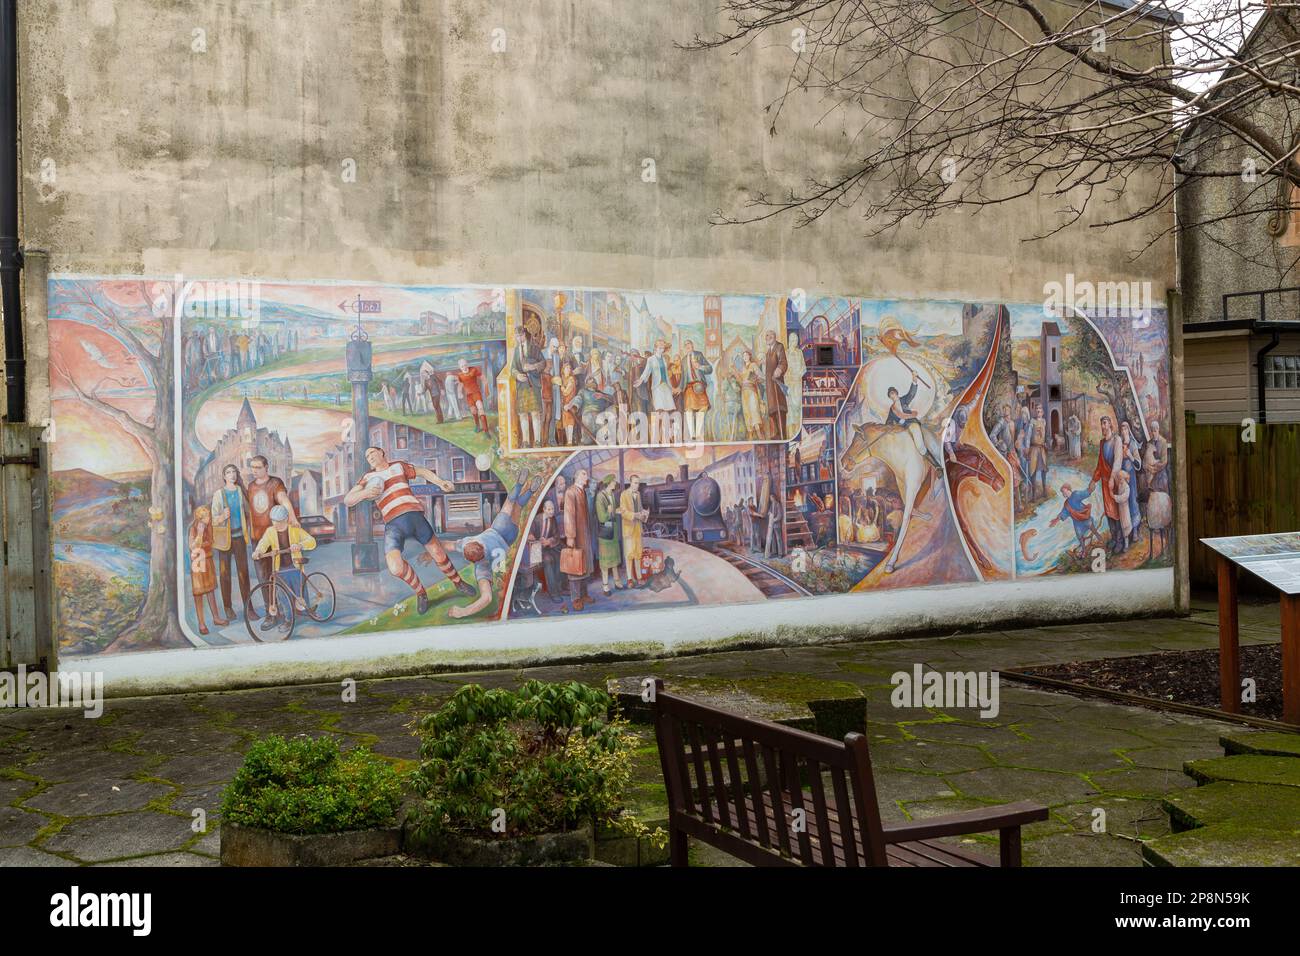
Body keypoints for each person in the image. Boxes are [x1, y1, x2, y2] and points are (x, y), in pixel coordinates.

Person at [344, 446, 476, 615]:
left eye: (372, 452)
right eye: (367, 455)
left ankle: (458, 582)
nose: (369, 457)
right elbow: (348, 499)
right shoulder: (368, 478)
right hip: (393, 525)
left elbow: (422, 472)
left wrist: (441, 482)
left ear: (382, 452)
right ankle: (421, 593)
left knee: (438, 553)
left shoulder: (398, 466)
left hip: (414, 516)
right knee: (395, 568)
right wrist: (365, 493)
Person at [447, 478, 539, 619]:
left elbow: (487, 598)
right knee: (509, 502)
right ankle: (520, 484)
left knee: (518, 508)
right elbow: (449, 544)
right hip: (499, 528)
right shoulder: (470, 541)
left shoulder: (482, 566)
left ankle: (531, 490)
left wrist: (462, 612)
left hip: (509, 538)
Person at [251, 504, 317, 633]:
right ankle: (288, 620)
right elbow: (263, 543)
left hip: (295, 567)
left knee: (301, 591)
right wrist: (258, 551)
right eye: (274, 522)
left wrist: (300, 545)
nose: (276, 525)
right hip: (279, 569)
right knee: (283, 596)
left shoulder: (295, 530)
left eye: (279, 522)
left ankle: (308, 611)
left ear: (286, 519)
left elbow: (312, 541)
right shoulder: (270, 532)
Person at [210, 463, 255, 621]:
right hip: (224, 540)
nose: (232, 475)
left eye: (234, 472)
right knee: (225, 574)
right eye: (228, 472)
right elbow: (213, 519)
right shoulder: (218, 494)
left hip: (239, 539)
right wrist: (222, 516)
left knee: (244, 574)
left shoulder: (241, 492)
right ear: (224, 476)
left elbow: (249, 513)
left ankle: (248, 608)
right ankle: (228, 608)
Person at [247, 455, 297, 588]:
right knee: (263, 578)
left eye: (258, 467)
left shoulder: (275, 483)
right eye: (252, 467)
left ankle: (291, 606)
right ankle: (270, 607)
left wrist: (292, 517)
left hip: (276, 536)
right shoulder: (250, 487)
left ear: (266, 468)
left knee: (283, 575)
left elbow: (283, 499)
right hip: (257, 538)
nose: (254, 470)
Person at [886, 371, 943, 471]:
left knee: (920, 446)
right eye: (890, 395)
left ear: (896, 393)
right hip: (901, 428)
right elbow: (888, 422)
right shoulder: (892, 409)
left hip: (911, 424)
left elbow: (911, 393)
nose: (892, 396)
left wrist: (914, 378)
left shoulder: (904, 400)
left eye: (893, 394)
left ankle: (937, 466)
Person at [189, 506, 228, 636]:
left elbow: (211, 541)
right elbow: (193, 546)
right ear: (200, 518)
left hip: (207, 558)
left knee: (210, 589)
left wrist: (204, 542)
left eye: (208, 516)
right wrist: (200, 536)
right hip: (197, 561)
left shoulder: (209, 526)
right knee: (199, 592)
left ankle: (216, 618)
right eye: (206, 517)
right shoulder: (194, 528)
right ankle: (201, 623)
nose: (209, 519)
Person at [1088, 415, 1125, 555]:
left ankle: (1121, 541)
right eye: (1101, 424)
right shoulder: (1102, 443)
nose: (1103, 426)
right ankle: (1114, 538)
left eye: (1105, 423)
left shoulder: (1117, 440)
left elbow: (1117, 461)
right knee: (1109, 512)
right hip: (1105, 483)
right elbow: (1099, 465)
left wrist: (1112, 478)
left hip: (1114, 482)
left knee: (1117, 511)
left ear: (1110, 425)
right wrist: (1093, 480)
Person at [562, 468, 595, 612]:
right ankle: (575, 598)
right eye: (584, 474)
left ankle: (584, 594)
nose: (586, 477)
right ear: (577, 476)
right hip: (576, 535)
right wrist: (570, 536)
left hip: (584, 534)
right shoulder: (571, 492)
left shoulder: (582, 492)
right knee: (575, 566)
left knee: (584, 565)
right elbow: (569, 515)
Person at [635, 339, 677, 444]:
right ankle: (657, 435)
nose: (661, 350)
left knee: (666, 411)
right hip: (657, 387)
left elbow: (666, 375)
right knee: (659, 410)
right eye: (659, 348)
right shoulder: (651, 359)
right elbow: (646, 372)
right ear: (655, 348)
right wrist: (640, 380)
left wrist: (672, 388)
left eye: (662, 348)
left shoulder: (663, 360)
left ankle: (665, 435)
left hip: (665, 387)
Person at [514, 329, 546, 448]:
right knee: (523, 414)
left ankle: (537, 441)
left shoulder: (534, 348)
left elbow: (543, 363)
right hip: (522, 386)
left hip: (533, 385)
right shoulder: (516, 351)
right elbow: (513, 368)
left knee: (535, 413)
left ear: (524, 335)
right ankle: (526, 442)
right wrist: (517, 375)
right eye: (516, 336)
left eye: (520, 335)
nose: (518, 338)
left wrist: (532, 366)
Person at [677, 339, 713, 442]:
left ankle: (697, 433)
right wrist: (680, 388)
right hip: (689, 386)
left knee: (703, 407)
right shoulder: (683, 360)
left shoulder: (699, 355)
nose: (688, 346)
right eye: (686, 345)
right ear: (684, 348)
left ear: (693, 345)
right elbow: (683, 377)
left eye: (689, 344)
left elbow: (710, 369)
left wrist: (700, 367)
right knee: (688, 409)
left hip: (700, 385)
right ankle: (692, 434)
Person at [594, 474, 623, 594]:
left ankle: (617, 582)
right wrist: (610, 511)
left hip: (614, 532)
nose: (615, 483)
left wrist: (616, 511)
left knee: (615, 559)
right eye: (614, 481)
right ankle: (605, 586)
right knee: (606, 562)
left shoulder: (612, 495)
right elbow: (601, 517)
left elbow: (613, 513)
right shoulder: (600, 497)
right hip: (605, 534)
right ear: (609, 483)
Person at [1048, 484, 1094, 559]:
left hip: (1084, 516)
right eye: (1062, 492)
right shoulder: (1066, 503)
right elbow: (1064, 512)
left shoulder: (1076, 494)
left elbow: (1084, 493)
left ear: (1068, 489)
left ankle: (1096, 538)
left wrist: (1090, 490)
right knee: (1079, 536)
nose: (1063, 494)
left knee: (1091, 527)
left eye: (1063, 491)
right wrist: (1056, 519)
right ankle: (1084, 550)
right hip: (1077, 522)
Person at [531, 498, 563, 605]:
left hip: (548, 547)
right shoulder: (536, 519)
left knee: (559, 556)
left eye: (553, 509)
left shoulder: (553, 519)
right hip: (535, 550)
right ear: (544, 510)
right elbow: (530, 536)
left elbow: (556, 536)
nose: (552, 511)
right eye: (549, 509)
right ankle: (553, 593)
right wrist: (539, 541)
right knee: (548, 560)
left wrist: (549, 541)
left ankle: (559, 588)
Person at [620, 474, 648, 588]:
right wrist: (635, 515)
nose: (637, 485)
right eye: (635, 483)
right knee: (629, 554)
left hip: (637, 528)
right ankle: (629, 579)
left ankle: (639, 577)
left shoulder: (639, 494)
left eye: (638, 483)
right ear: (630, 483)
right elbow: (623, 512)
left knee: (638, 553)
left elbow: (640, 508)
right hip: (628, 528)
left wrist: (644, 513)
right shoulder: (624, 494)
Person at [762, 330, 789, 440]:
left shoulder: (779, 347)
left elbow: (783, 362)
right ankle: (778, 433)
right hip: (770, 386)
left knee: (780, 408)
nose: (768, 337)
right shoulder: (768, 352)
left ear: (775, 337)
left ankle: (783, 434)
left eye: (771, 335)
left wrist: (779, 369)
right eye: (767, 335)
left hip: (777, 384)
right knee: (773, 410)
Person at [453, 357, 488, 433]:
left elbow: (482, 376)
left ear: (467, 364)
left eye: (465, 365)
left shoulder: (473, 370)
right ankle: (477, 426)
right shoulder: (460, 375)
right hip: (469, 395)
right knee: (474, 411)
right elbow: (460, 384)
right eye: (462, 366)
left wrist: (486, 386)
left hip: (476, 393)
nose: (464, 367)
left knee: (480, 408)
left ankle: (486, 429)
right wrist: (459, 392)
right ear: (460, 367)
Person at [740, 351, 764, 440]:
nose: (745, 357)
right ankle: (750, 432)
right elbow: (741, 380)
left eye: (746, 355)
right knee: (746, 412)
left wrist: (755, 378)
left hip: (752, 390)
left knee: (754, 410)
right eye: (744, 356)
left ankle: (758, 432)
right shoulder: (742, 368)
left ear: (750, 356)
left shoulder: (753, 365)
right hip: (744, 391)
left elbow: (761, 377)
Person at [1029, 403, 1049, 500]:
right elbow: (1029, 435)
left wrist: (1046, 443)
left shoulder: (1044, 422)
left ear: (1042, 412)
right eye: (1037, 409)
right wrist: (1027, 447)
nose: (1038, 411)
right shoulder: (1032, 421)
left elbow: (1047, 435)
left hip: (1042, 449)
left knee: (1044, 470)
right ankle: (1033, 495)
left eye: (1040, 410)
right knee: (1033, 471)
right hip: (1034, 449)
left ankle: (1044, 490)